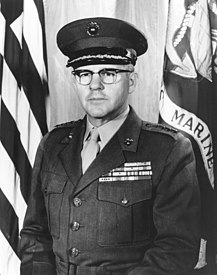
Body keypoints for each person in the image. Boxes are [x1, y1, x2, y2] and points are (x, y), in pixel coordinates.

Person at [19, 17, 201, 275]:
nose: (95, 85)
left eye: (109, 73)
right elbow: (35, 234)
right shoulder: (52, 145)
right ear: (74, 81)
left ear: (132, 81)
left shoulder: (168, 150)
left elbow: (176, 249)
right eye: (84, 74)